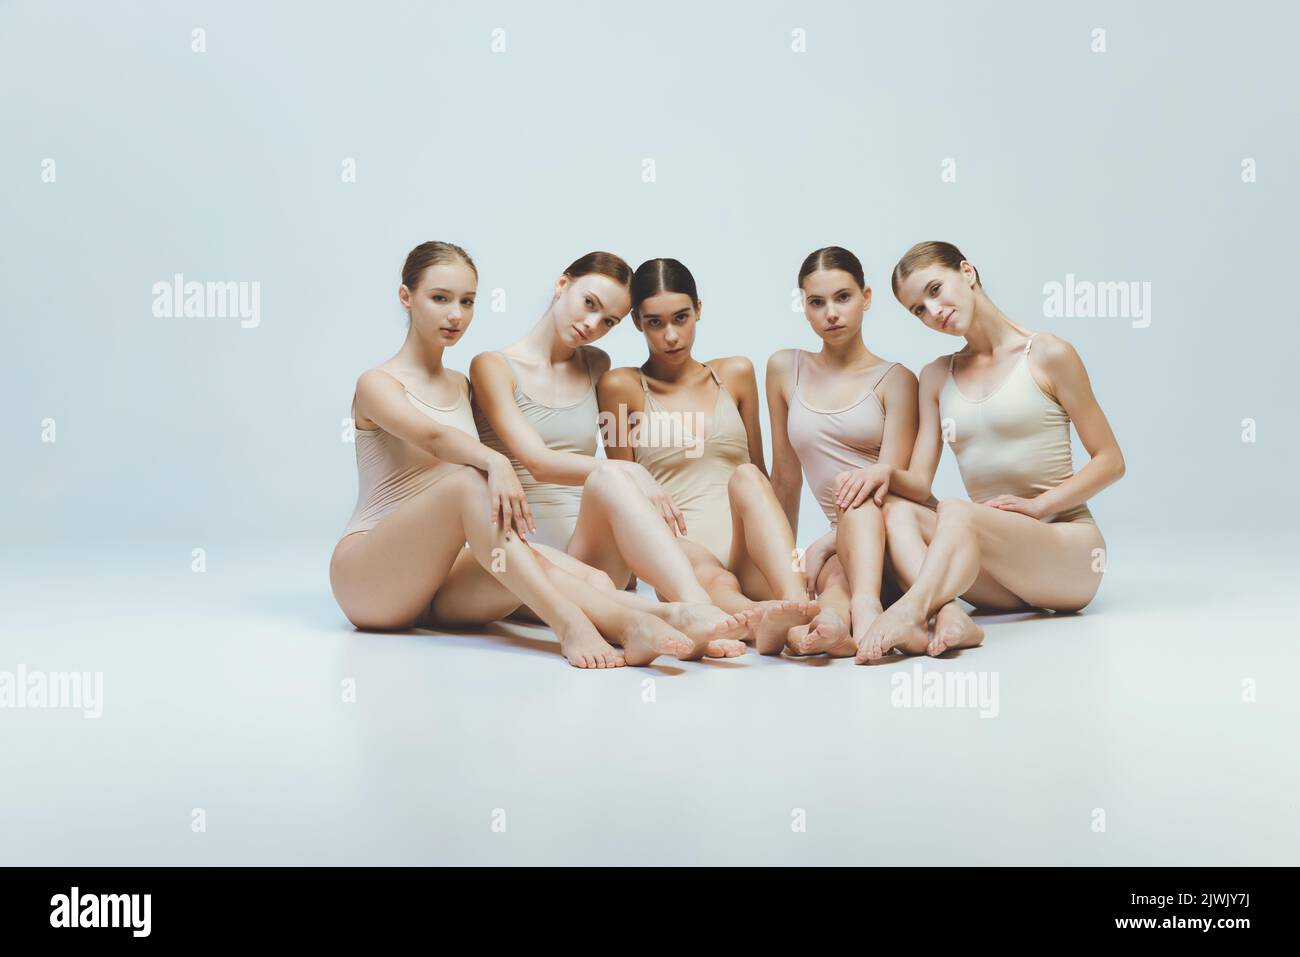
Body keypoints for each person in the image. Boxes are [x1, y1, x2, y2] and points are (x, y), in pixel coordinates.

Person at [858, 241, 1124, 662]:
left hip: (1068, 553)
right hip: (1000, 570)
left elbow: (1111, 461)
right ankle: (949, 615)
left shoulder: (1048, 354)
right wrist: (886, 475)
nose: (933, 310)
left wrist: (1038, 508)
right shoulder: (936, 376)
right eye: (917, 310)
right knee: (896, 509)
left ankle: (912, 610)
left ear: (967, 272)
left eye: (934, 289)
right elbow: (920, 483)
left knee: (956, 510)